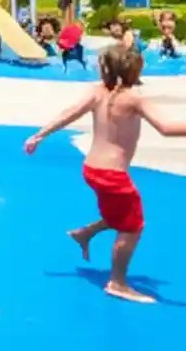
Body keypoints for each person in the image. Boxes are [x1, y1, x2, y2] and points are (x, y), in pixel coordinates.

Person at [24, 45, 186, 303]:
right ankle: (118, 282)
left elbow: (69, 114)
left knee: (118, 213)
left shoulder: (97, 93)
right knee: (133, 226)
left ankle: (85, 233)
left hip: (91, 170)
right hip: (113, 176)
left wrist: (39, 135)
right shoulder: (133, 98)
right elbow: (165, 127)